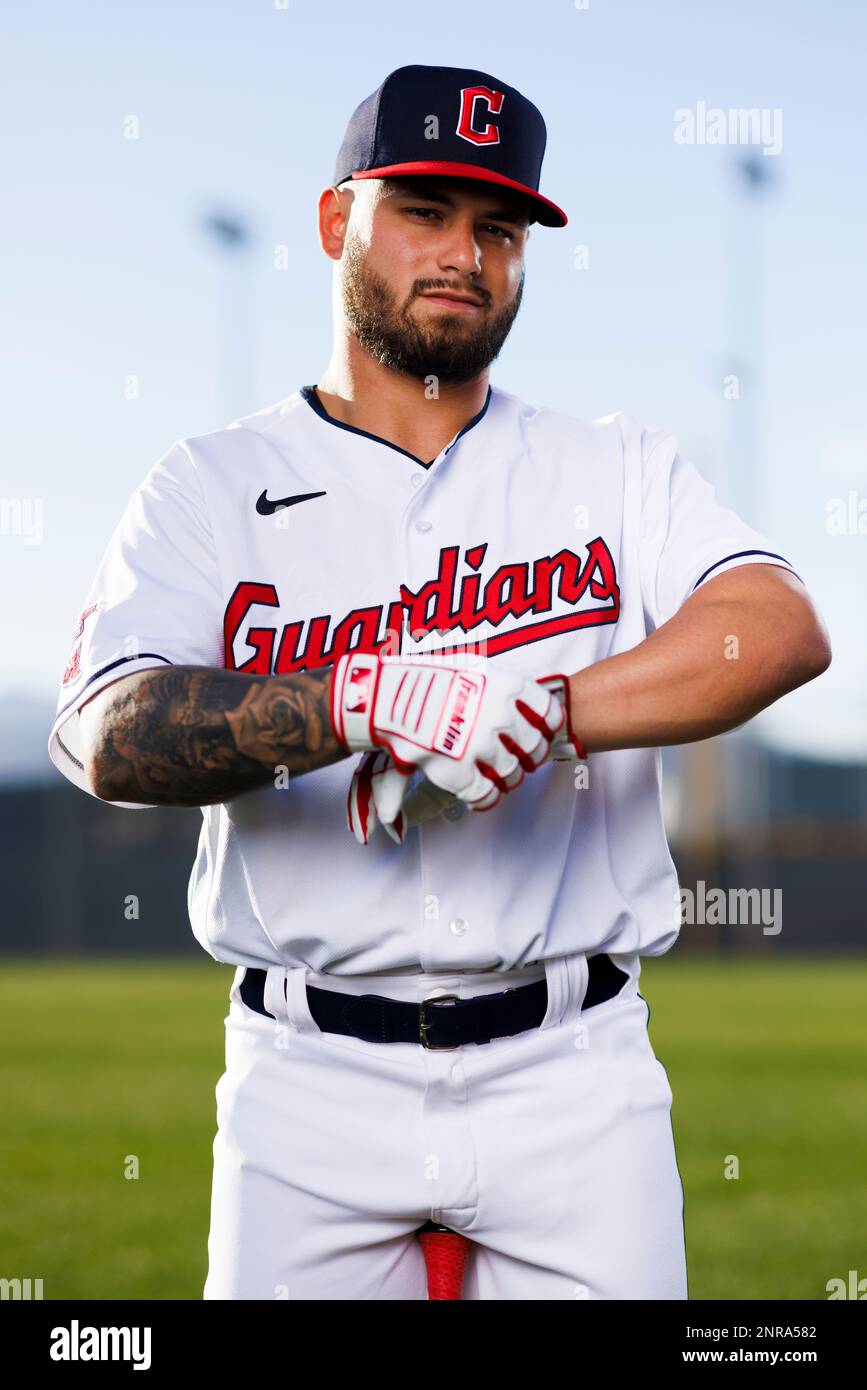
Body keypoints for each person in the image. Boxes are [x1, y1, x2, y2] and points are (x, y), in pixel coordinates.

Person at [48, 64, 831, 1300]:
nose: (466, 253)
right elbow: (107, 732)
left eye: (499, 228)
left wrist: (547, 711)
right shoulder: (208, 483)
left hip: (574, 1074)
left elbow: (778, 629)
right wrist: (354, 702)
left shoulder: (609, 464)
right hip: (307, 1082)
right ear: (333, 223)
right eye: (424, 210)